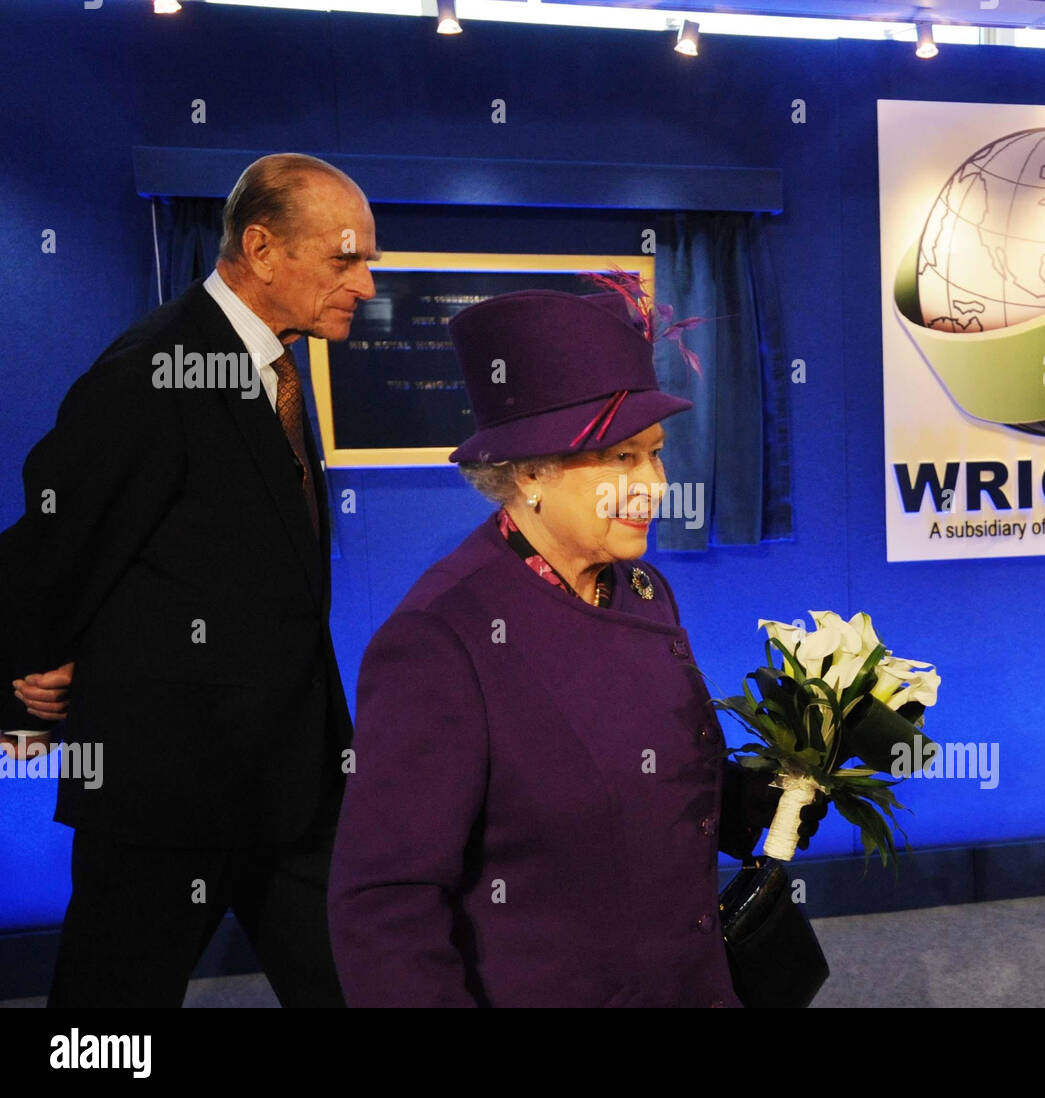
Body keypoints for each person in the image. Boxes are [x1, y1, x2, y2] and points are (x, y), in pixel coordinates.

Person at [327, 286, 819, 1007]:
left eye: (656, 455)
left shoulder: (645, 589)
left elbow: (660, 786)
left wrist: (763, 801)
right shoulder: (438, 641)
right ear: (529, 472)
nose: (654, 487)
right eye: (623, 459)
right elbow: (384, 904)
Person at [0, 152, 377, 1006]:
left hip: (294, 785)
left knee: (353, 984)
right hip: (165, 793)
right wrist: (25, 685)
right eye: (345, 258)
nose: (364, 282)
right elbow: (52, 541)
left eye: (369, 262)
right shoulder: (153, 369)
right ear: (262, 248)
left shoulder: (276, 365)